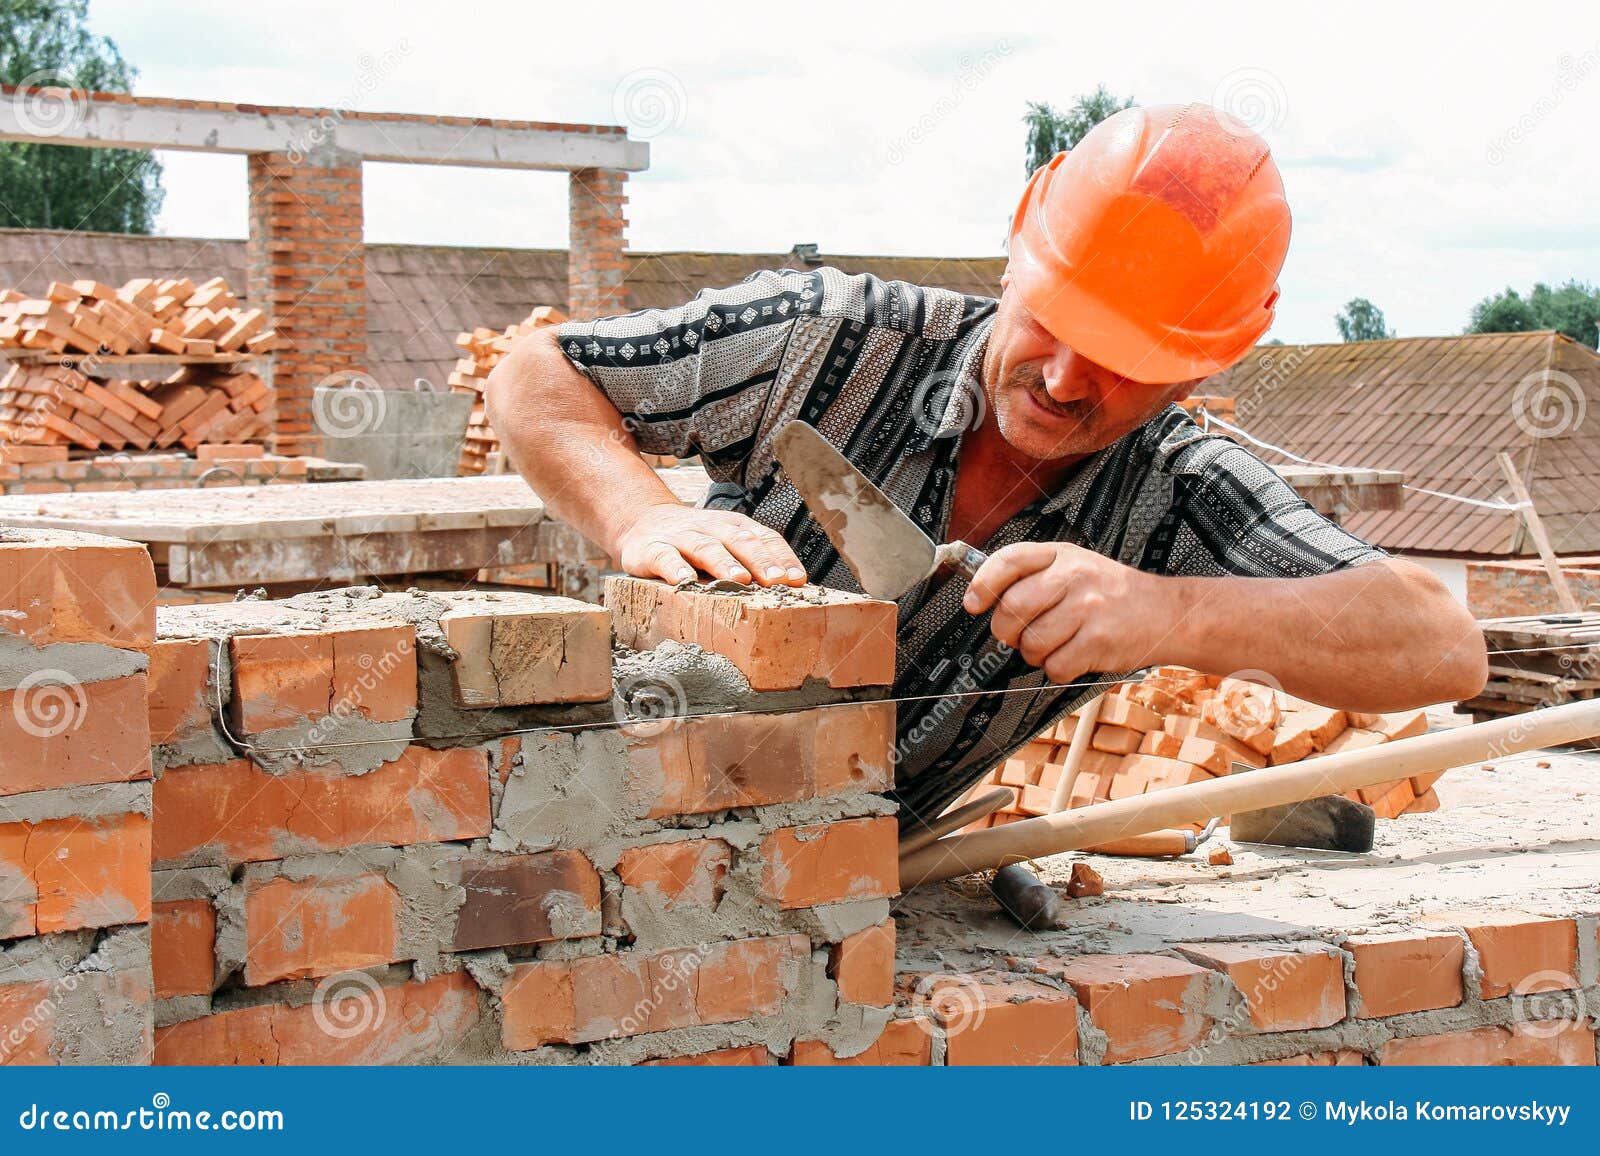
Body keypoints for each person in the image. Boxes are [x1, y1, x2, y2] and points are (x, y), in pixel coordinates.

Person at [486, 102, 1486, 832]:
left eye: (1124, 364)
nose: (1061, 377)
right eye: (1054, 322)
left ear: (1202, 367)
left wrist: (1169, 612)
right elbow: (541, 373)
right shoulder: (826, 341)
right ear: (1018, 249)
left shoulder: (1179, 492)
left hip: (838, 903)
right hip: (606, 831)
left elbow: (1443, 647)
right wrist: (641, 517)